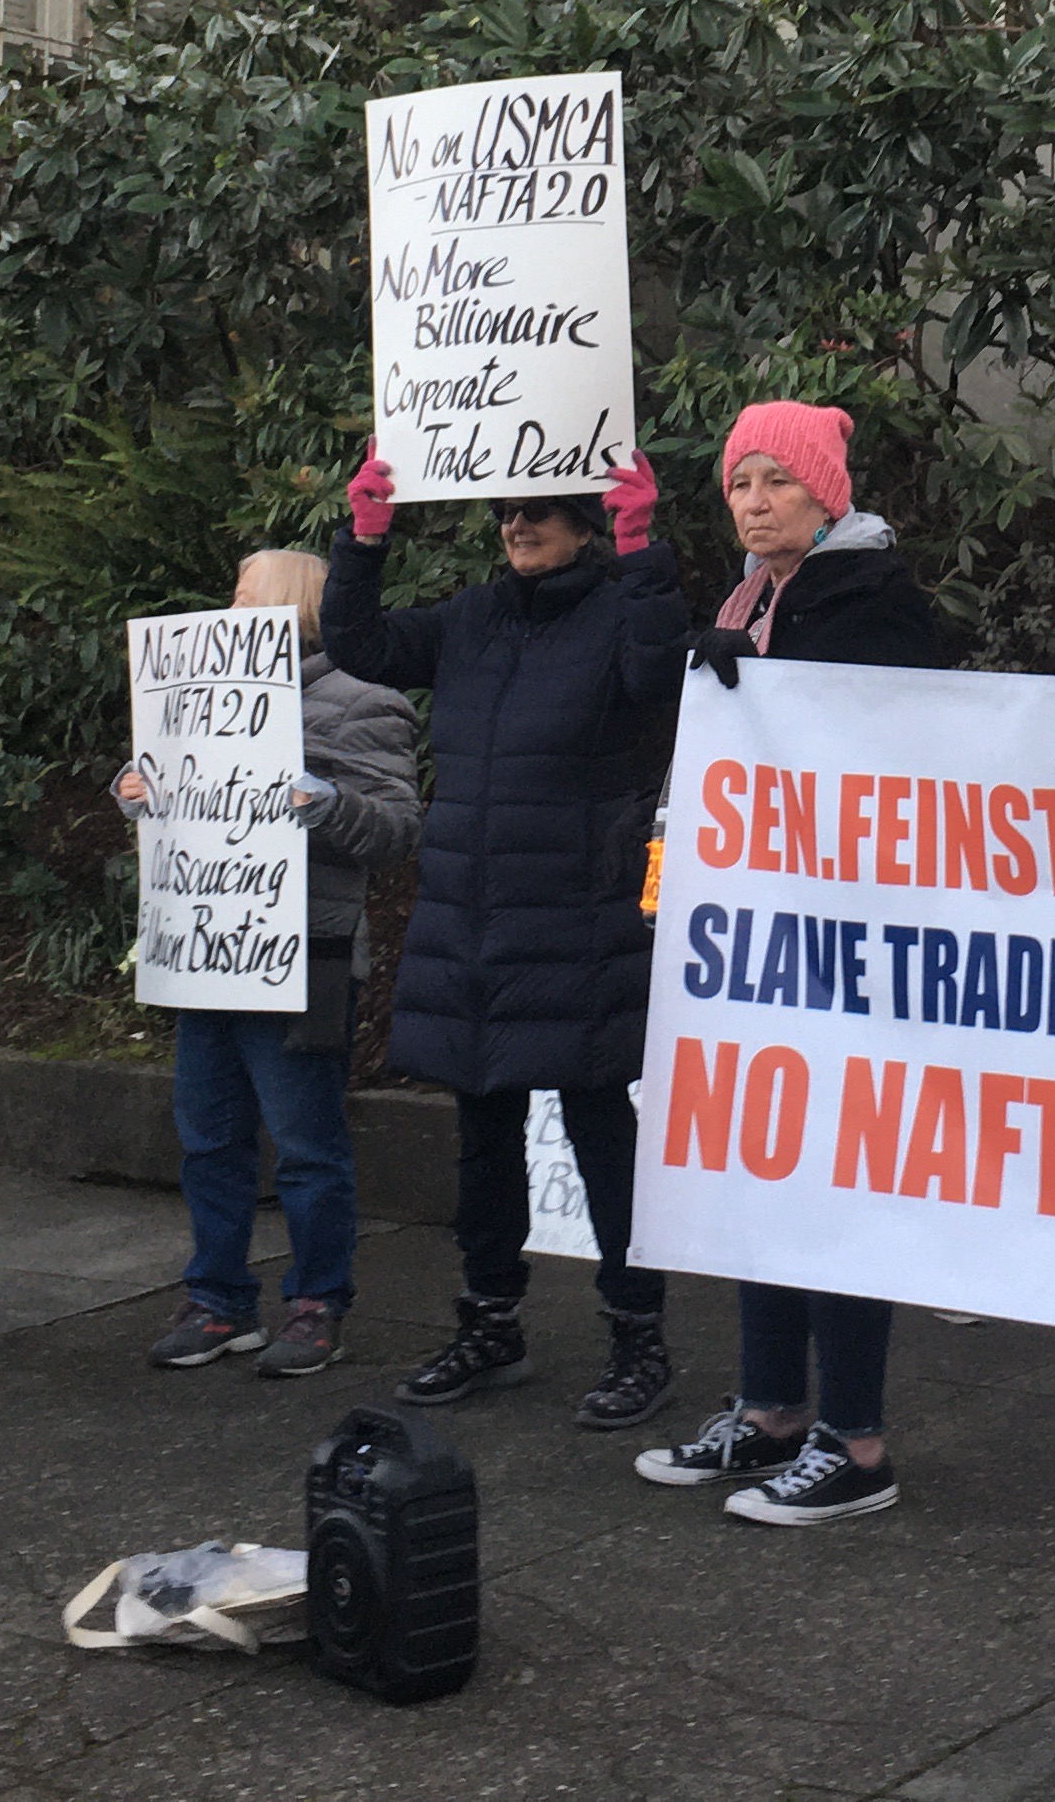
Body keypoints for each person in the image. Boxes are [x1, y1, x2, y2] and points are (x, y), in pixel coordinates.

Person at [322, 441, 686, 1429]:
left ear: (582, 523)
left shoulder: (620, 613)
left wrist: (644, 547)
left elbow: (662, 675)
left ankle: (635, 1334)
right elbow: (359, 644)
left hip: (581, 916)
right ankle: (490, 1322)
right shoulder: (472, 618)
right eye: (504, 512)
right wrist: (363, 539)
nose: (517, 524)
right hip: (470, 921)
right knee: (481, 1134)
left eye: (539, 509)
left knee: (599, 1127)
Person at [637, 401, 946, 1528]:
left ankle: (855, 1443)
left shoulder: (872, 602)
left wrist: (763, 690)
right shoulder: (756, 605)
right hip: (763, 940)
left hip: (846, 943)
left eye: (776, 482)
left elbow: (893, 762)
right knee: (758, 1169)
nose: (756, 503)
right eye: (740, 486)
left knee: (832, 1183)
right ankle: (771, 1413)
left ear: (827, 495)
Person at [129, 546, 423, 1380]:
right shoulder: (193, 699)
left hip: (305, 954)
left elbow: (399, 831)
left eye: (242, 593)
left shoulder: (365, 702)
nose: (228, 609)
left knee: (306, 1144)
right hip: (207, 947)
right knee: (207, 1139)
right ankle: (218, 1302)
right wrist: (142, 790)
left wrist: (325, 803)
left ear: (290, 603)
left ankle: (318, 1303)